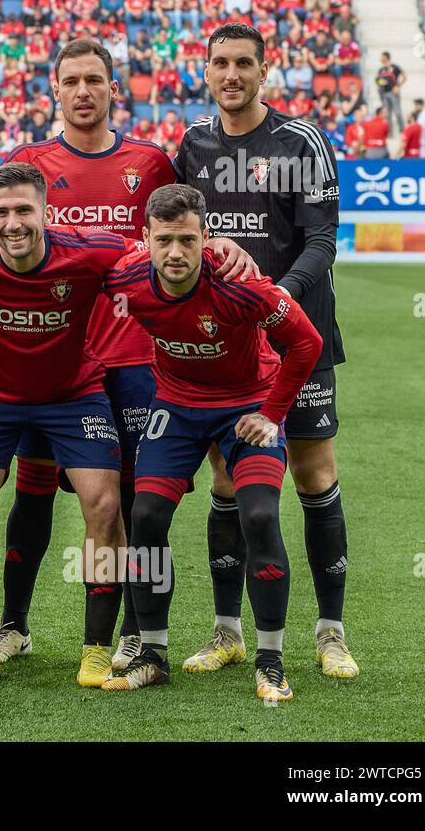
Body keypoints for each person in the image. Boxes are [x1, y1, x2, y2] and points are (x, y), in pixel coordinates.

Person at [0, 163, 256, 688]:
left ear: (46, 213)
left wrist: (220, 246)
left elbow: (167, 250)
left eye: (25, 210)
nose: (14, 223)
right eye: (2, 212)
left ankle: (97, 648)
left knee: (103, 505)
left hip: (73, 395)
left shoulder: (90, 251)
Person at [177, 22, 358, 681]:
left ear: (263, 69)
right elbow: (178, 237)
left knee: (313, 475)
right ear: (207, 69)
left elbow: (323, 239)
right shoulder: (194, 143)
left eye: (242, 64)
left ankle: (330, 633)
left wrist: (273, 299)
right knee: (227, 482)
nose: (231, 75)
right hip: (223, 350)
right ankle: (226, 631)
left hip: (296, 336)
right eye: (220, 63)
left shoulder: (299, 141)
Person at [100, 184, 322, 701]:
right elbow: (74, 251)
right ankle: (152, 654)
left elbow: (306, 343)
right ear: (145, 240)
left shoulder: (243, 285)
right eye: (163, 241)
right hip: (175, 406)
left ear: (206, 238)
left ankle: (270, 660)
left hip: (247, 405)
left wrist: (271, 415)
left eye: (186, 240)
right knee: (147, 514)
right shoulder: (126, 277)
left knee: (261, 515)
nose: (174, 253)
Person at [0, 37, 180, 672]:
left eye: (94, 81)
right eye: (71, 81)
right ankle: (13, 625)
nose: (82, 92)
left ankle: (134, 628)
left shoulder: (152, 164)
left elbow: (174, 244)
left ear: (113, 88)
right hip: (53, 358)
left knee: (131, 500)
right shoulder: (27, 163)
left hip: (133, 358)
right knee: (35, 491)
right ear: (55, 89)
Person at [374, 51, 406, 133]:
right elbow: (377, 81)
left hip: (393, 93)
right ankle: (389, 131)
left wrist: (398, 86)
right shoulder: (381, 69)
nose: (380, 58)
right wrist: (381, 83)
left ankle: (402, 130)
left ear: (386, 57)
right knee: (387, 114)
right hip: (385, 93)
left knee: (397, 112)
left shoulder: (394, 67)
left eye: (382, 57)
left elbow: (404, 76)